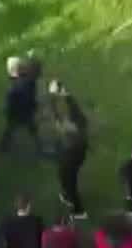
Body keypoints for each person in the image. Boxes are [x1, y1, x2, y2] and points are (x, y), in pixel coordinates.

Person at [48, 81, 88, 219]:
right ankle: (66, 194)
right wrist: (66, 95)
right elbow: (75, 110)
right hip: (78, 155)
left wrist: (52, 95)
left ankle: (79, 211)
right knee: (66, 178)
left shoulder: (66, 131)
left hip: (69, 159)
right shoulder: (81, 123)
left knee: (70, 183)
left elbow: (55, 115)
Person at [2, 54, 42, 155]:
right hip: (21, 112)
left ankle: (3, 146)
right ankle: (4, 145)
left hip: (19, 111)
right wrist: (33, 106)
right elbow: (24, 99)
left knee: (12, 128)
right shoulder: (22, 84)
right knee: (22, 127)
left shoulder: (24, 80)